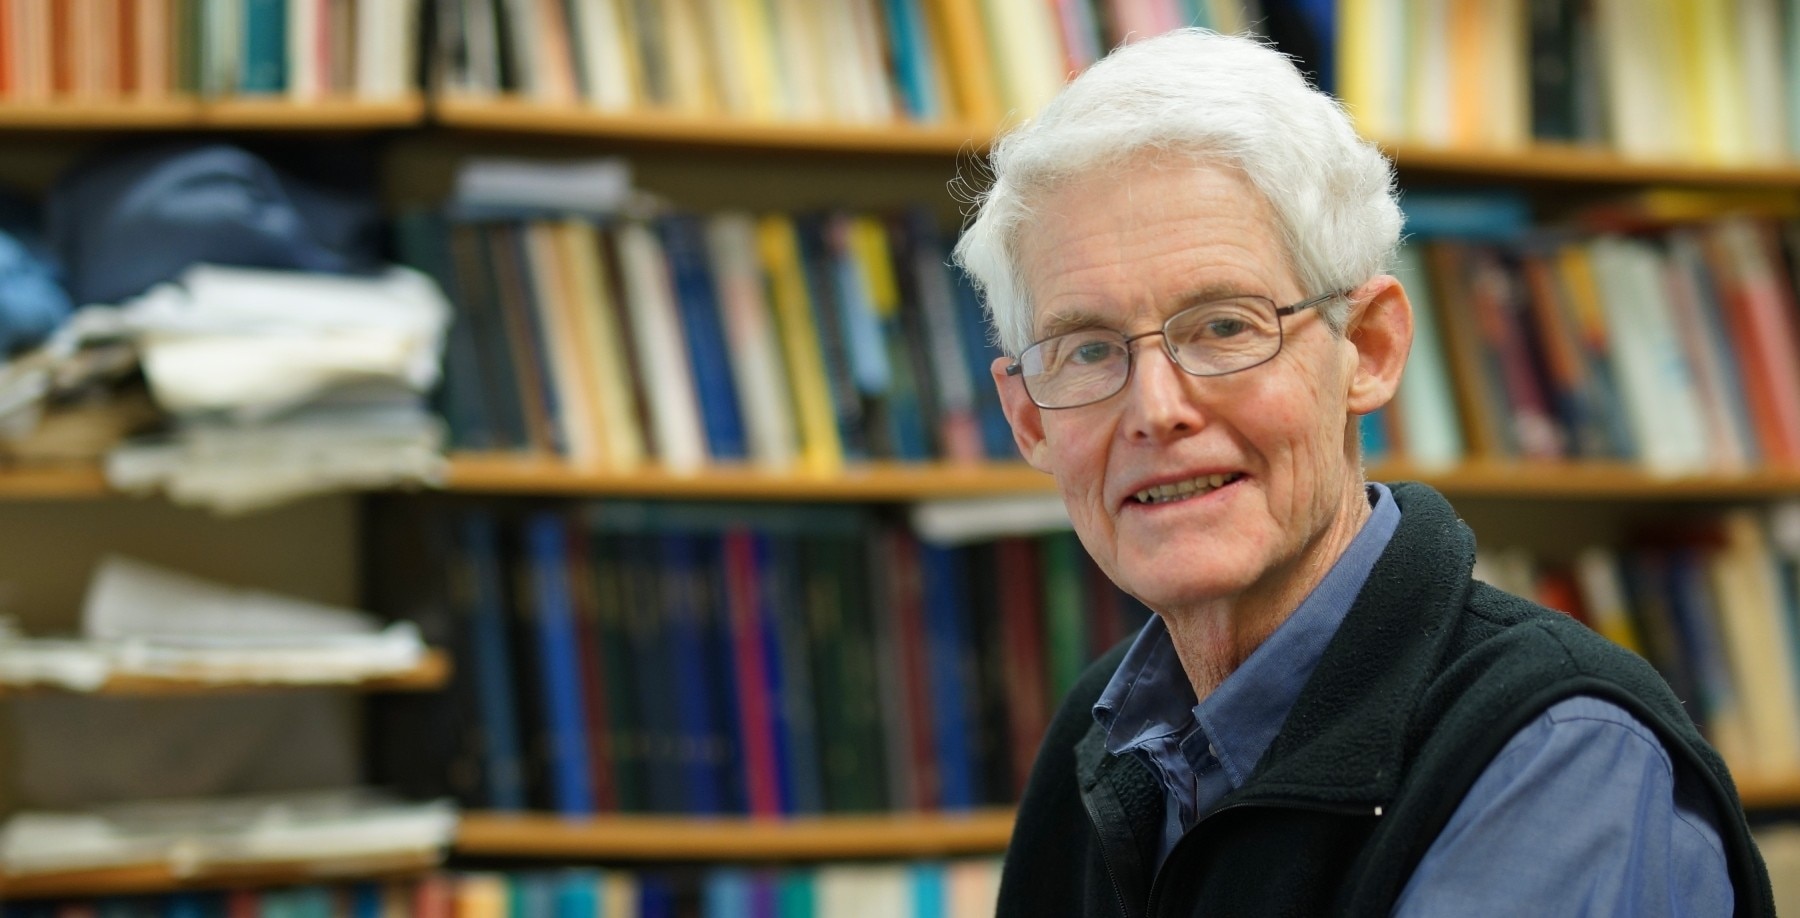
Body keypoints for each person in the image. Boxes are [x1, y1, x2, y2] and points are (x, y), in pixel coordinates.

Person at [952, 28, 1774, 917]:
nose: (1157, 408)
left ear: (1369, 350)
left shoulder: (1557, 756)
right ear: (1029, 418)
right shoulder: (1094, 740)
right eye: (1087, 349)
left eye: (1224, 326)